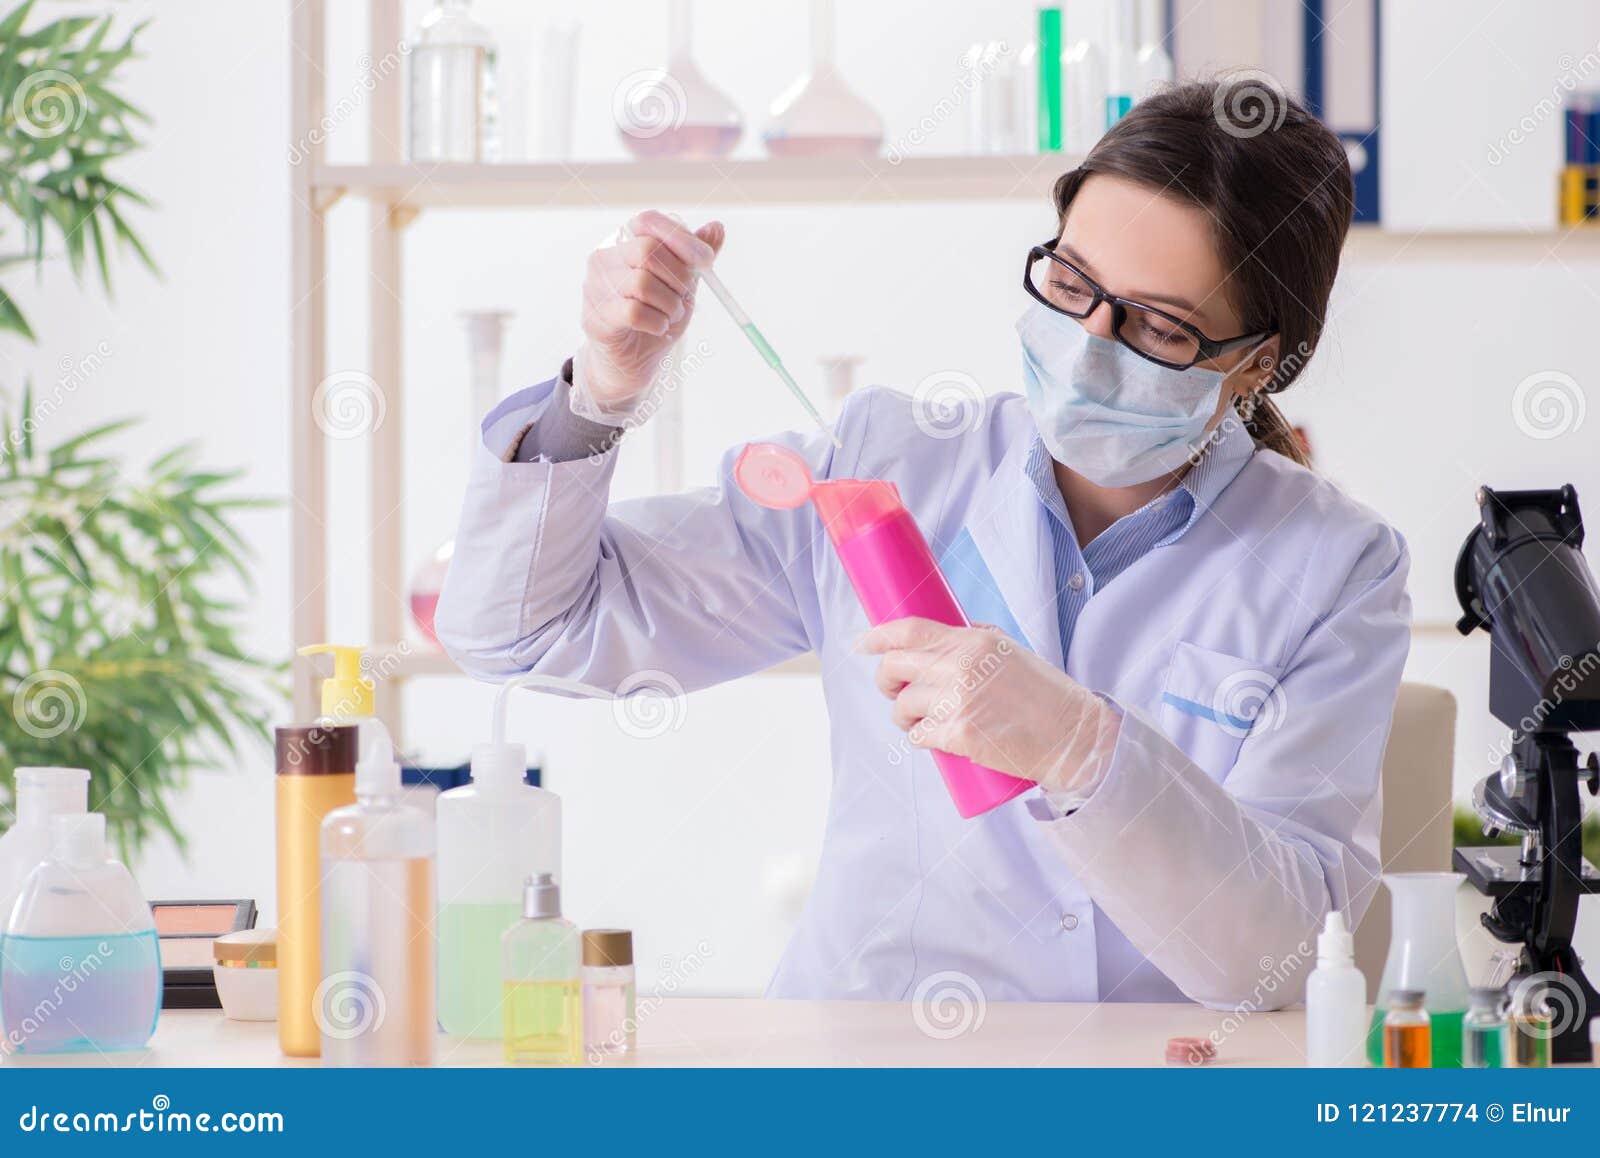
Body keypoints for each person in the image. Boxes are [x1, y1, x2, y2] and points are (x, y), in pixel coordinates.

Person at [435, 80, 1410, 1009]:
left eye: (1157, 326)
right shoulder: (889, 463)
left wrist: (1080, 748)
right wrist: (599, 397)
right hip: (867, 1063)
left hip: (1146, 1077)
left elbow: (1280, 956)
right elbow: (518, 633)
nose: (1089, 340)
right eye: (1071, 281)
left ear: (1254, 366)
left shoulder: (1334, 565)